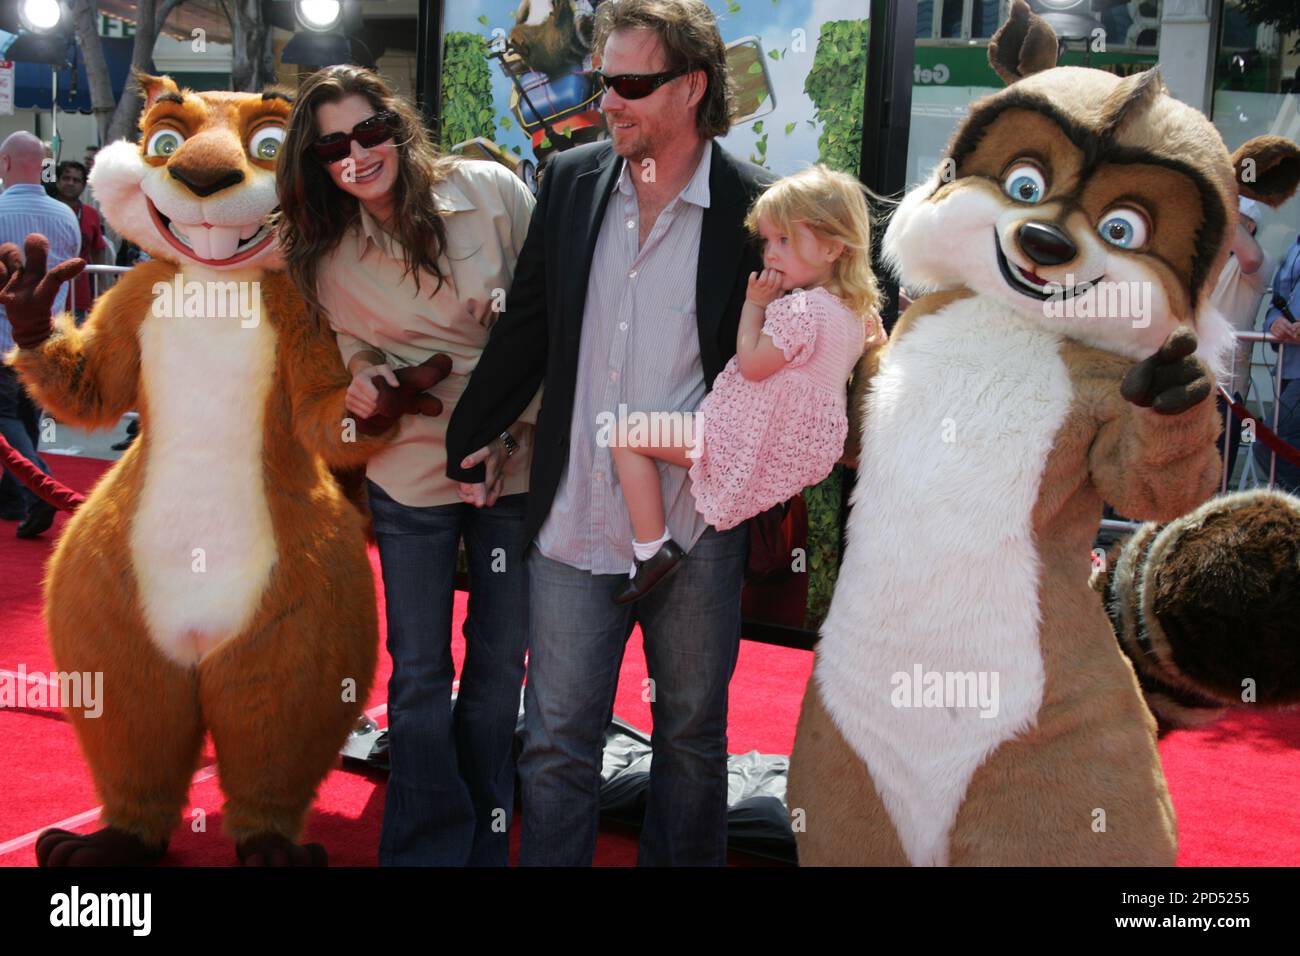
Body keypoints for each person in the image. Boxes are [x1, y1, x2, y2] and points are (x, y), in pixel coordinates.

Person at [447, 0, 774, 866]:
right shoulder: (570, 180)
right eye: (603, 82)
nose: (609, 102)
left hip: (697, 523)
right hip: (574, 514)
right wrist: (475, 433)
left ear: (694, 87)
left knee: (692, 739)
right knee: (556, 738)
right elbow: (530, 326)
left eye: (631, 84)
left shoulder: (754, 210)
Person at [275, 65, 539, 866]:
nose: (354, 155)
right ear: (315, 164)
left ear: (396, 126)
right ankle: (428, 849)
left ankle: (486, 843)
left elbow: (553, 322)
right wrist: (362, 378)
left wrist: (509, 434)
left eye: (367, 132)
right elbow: (352, 350)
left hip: (516, 459)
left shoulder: (493, 192)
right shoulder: (323, 257)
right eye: (331, 147)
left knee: (499, 670)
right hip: (411, 468)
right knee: (420, 673)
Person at [610, 165, 885, 602]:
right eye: (767, 241)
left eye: (785, 241)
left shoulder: (803, 311)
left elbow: (753, 363)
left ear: (834, 247)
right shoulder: (858, 315)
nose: (770, 254)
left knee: (625, 434)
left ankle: (651, 548)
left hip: (741, 439)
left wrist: (755, 306)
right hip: (794, 445)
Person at [0, 131, 80, 538]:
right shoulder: (66, 216)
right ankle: (14, 498)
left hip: (2, 339)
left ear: (6, 163)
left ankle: (39, 490)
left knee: (7, 418)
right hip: (46, 341)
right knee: (27, 418)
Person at [1209, 196, 1274, 479]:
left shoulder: (1257, 264)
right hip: (1180, 379)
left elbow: (1252, 256)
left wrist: (1222, 199)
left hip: (1223, 387)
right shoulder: (1202, 260)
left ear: (1248, 226)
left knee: (1212, 473)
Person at [1255, 233, 1300, 492]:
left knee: (1268, 443)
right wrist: (1274, 322)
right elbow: (1277, 302)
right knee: (1270, 443)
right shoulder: (1295, 244)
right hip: (1287, 363)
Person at [52, 161, 110, 324]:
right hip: (49, 295)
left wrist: (103, 288)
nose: (70, 183)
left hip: (80, 296)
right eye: (66, 178)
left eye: (76, 180)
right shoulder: (46, 209)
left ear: (84, 186)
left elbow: (98, 251)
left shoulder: (91, 214)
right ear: (57, 181)